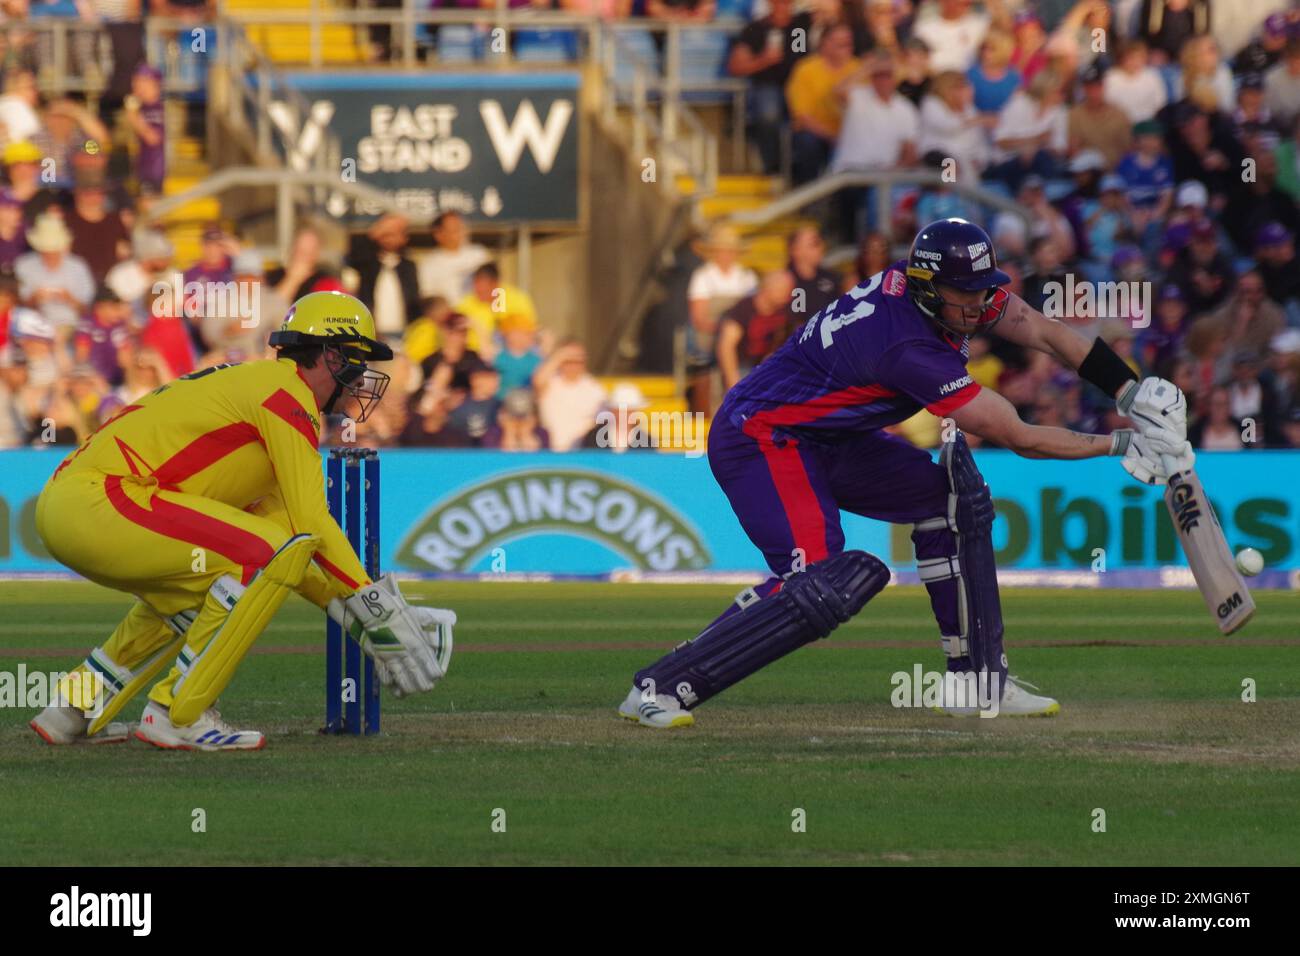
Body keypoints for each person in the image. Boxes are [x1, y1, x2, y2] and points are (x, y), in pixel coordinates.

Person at [616, 218, 1193, 728]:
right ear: (926, 287)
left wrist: (1131, 389)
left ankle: (976, 682)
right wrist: (1121, 442)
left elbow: (1043, 331)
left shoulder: (934, 292)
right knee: (818, 581)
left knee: (954, 501)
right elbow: (1015, 434)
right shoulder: (906, 347)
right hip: (762, 436)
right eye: (964, 293)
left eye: (983, 289)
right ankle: (661, 685)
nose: (978, 305)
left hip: (828, 435)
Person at [29, 291, 455, 750]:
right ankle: (178, 713)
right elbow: (308, 528)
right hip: (103, 499)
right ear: (329, 354)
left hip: (76, 504)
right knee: (259, 557)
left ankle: (72, 709)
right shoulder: (286, 394)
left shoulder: (262, 392)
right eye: (355, 359)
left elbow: (299, 550)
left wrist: (363, 622)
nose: (360, 377)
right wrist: (376, 608)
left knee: (202, 589)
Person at [727, 0, 812, 174]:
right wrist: (763, 60)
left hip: (796, 87)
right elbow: (735, 67)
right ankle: (774, 165)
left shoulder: (798, 28)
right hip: (766, 86)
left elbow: (800, 61)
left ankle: (799, 166)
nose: (783, 6)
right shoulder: (757, 29)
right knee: (768, 113)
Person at [716, 269, 795, 392]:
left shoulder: (786, 310)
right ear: (767, 289)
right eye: (783, 291)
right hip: (742, 366)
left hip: (769, 366)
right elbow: (726, 346)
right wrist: (734, 385)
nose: (787, 296)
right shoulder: (743, 310)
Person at [533, 338, 606, 451]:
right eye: (568, 360)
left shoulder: (594, 388)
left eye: (579, 361)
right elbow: (538, 381)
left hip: (582, 451)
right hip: (553, 451)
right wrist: (561, 355)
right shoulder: (551, 383)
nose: (574, 365)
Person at [417, 211, 490, 305]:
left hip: (482, 316)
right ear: (438, 234)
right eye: (454, 229)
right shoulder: (428, 264)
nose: (461, 233)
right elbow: (428, 300)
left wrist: (500, 313)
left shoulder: (480, 255)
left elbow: (497, 288)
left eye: (461, 228)